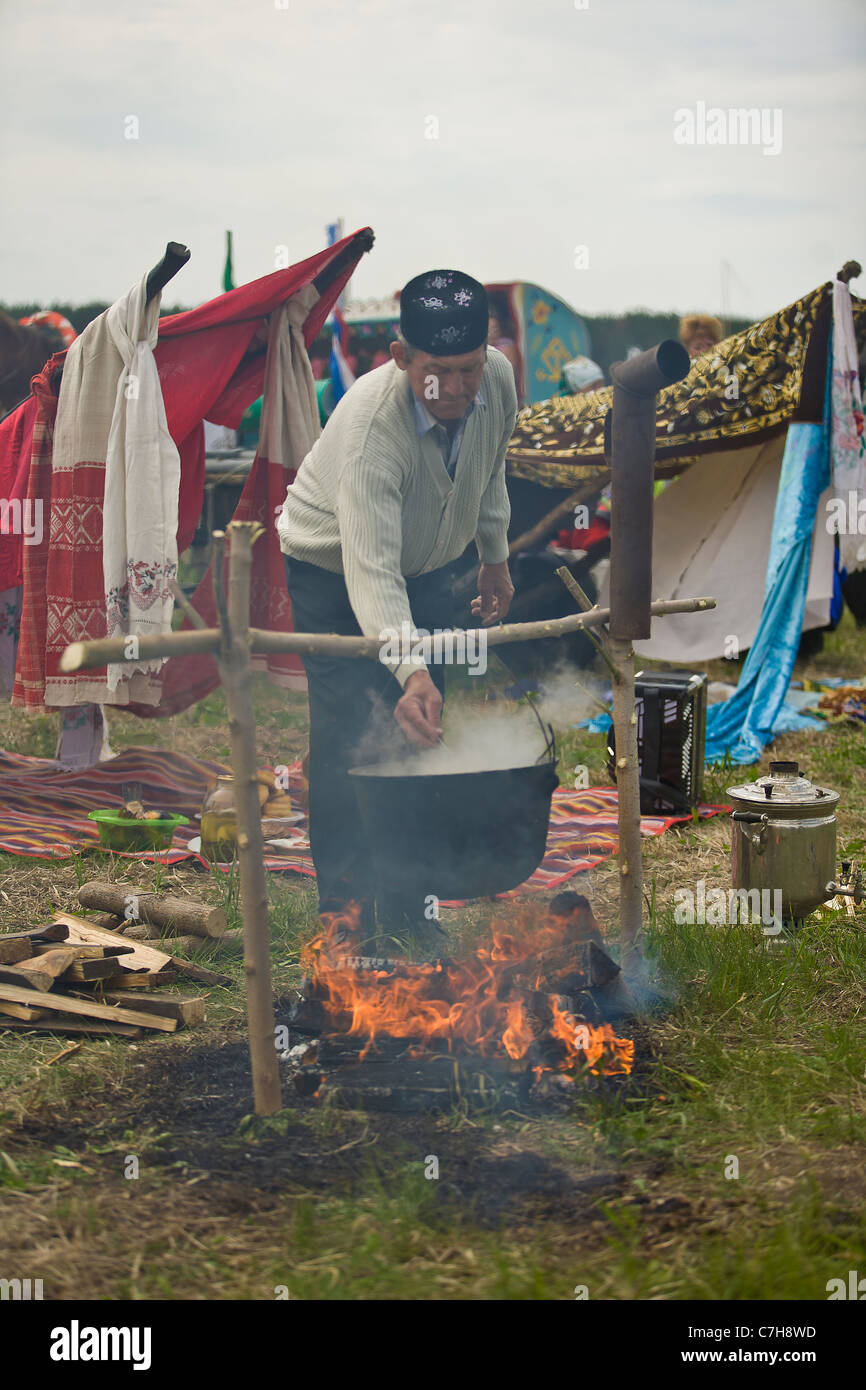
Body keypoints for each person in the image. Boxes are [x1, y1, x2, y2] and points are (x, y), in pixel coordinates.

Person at [278, 270, 518, 952]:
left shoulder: (496, 381)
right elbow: (371, 571)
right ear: (399, 357)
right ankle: (346, 919)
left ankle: (411, 903)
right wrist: (410, 670)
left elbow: (493, 466)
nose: (458, 389)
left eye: (469, 369)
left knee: (419, 735)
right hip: (332, 570)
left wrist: (493, 557)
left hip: (432, 561)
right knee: (350, 736)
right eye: (438, 372)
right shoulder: (368, 430)